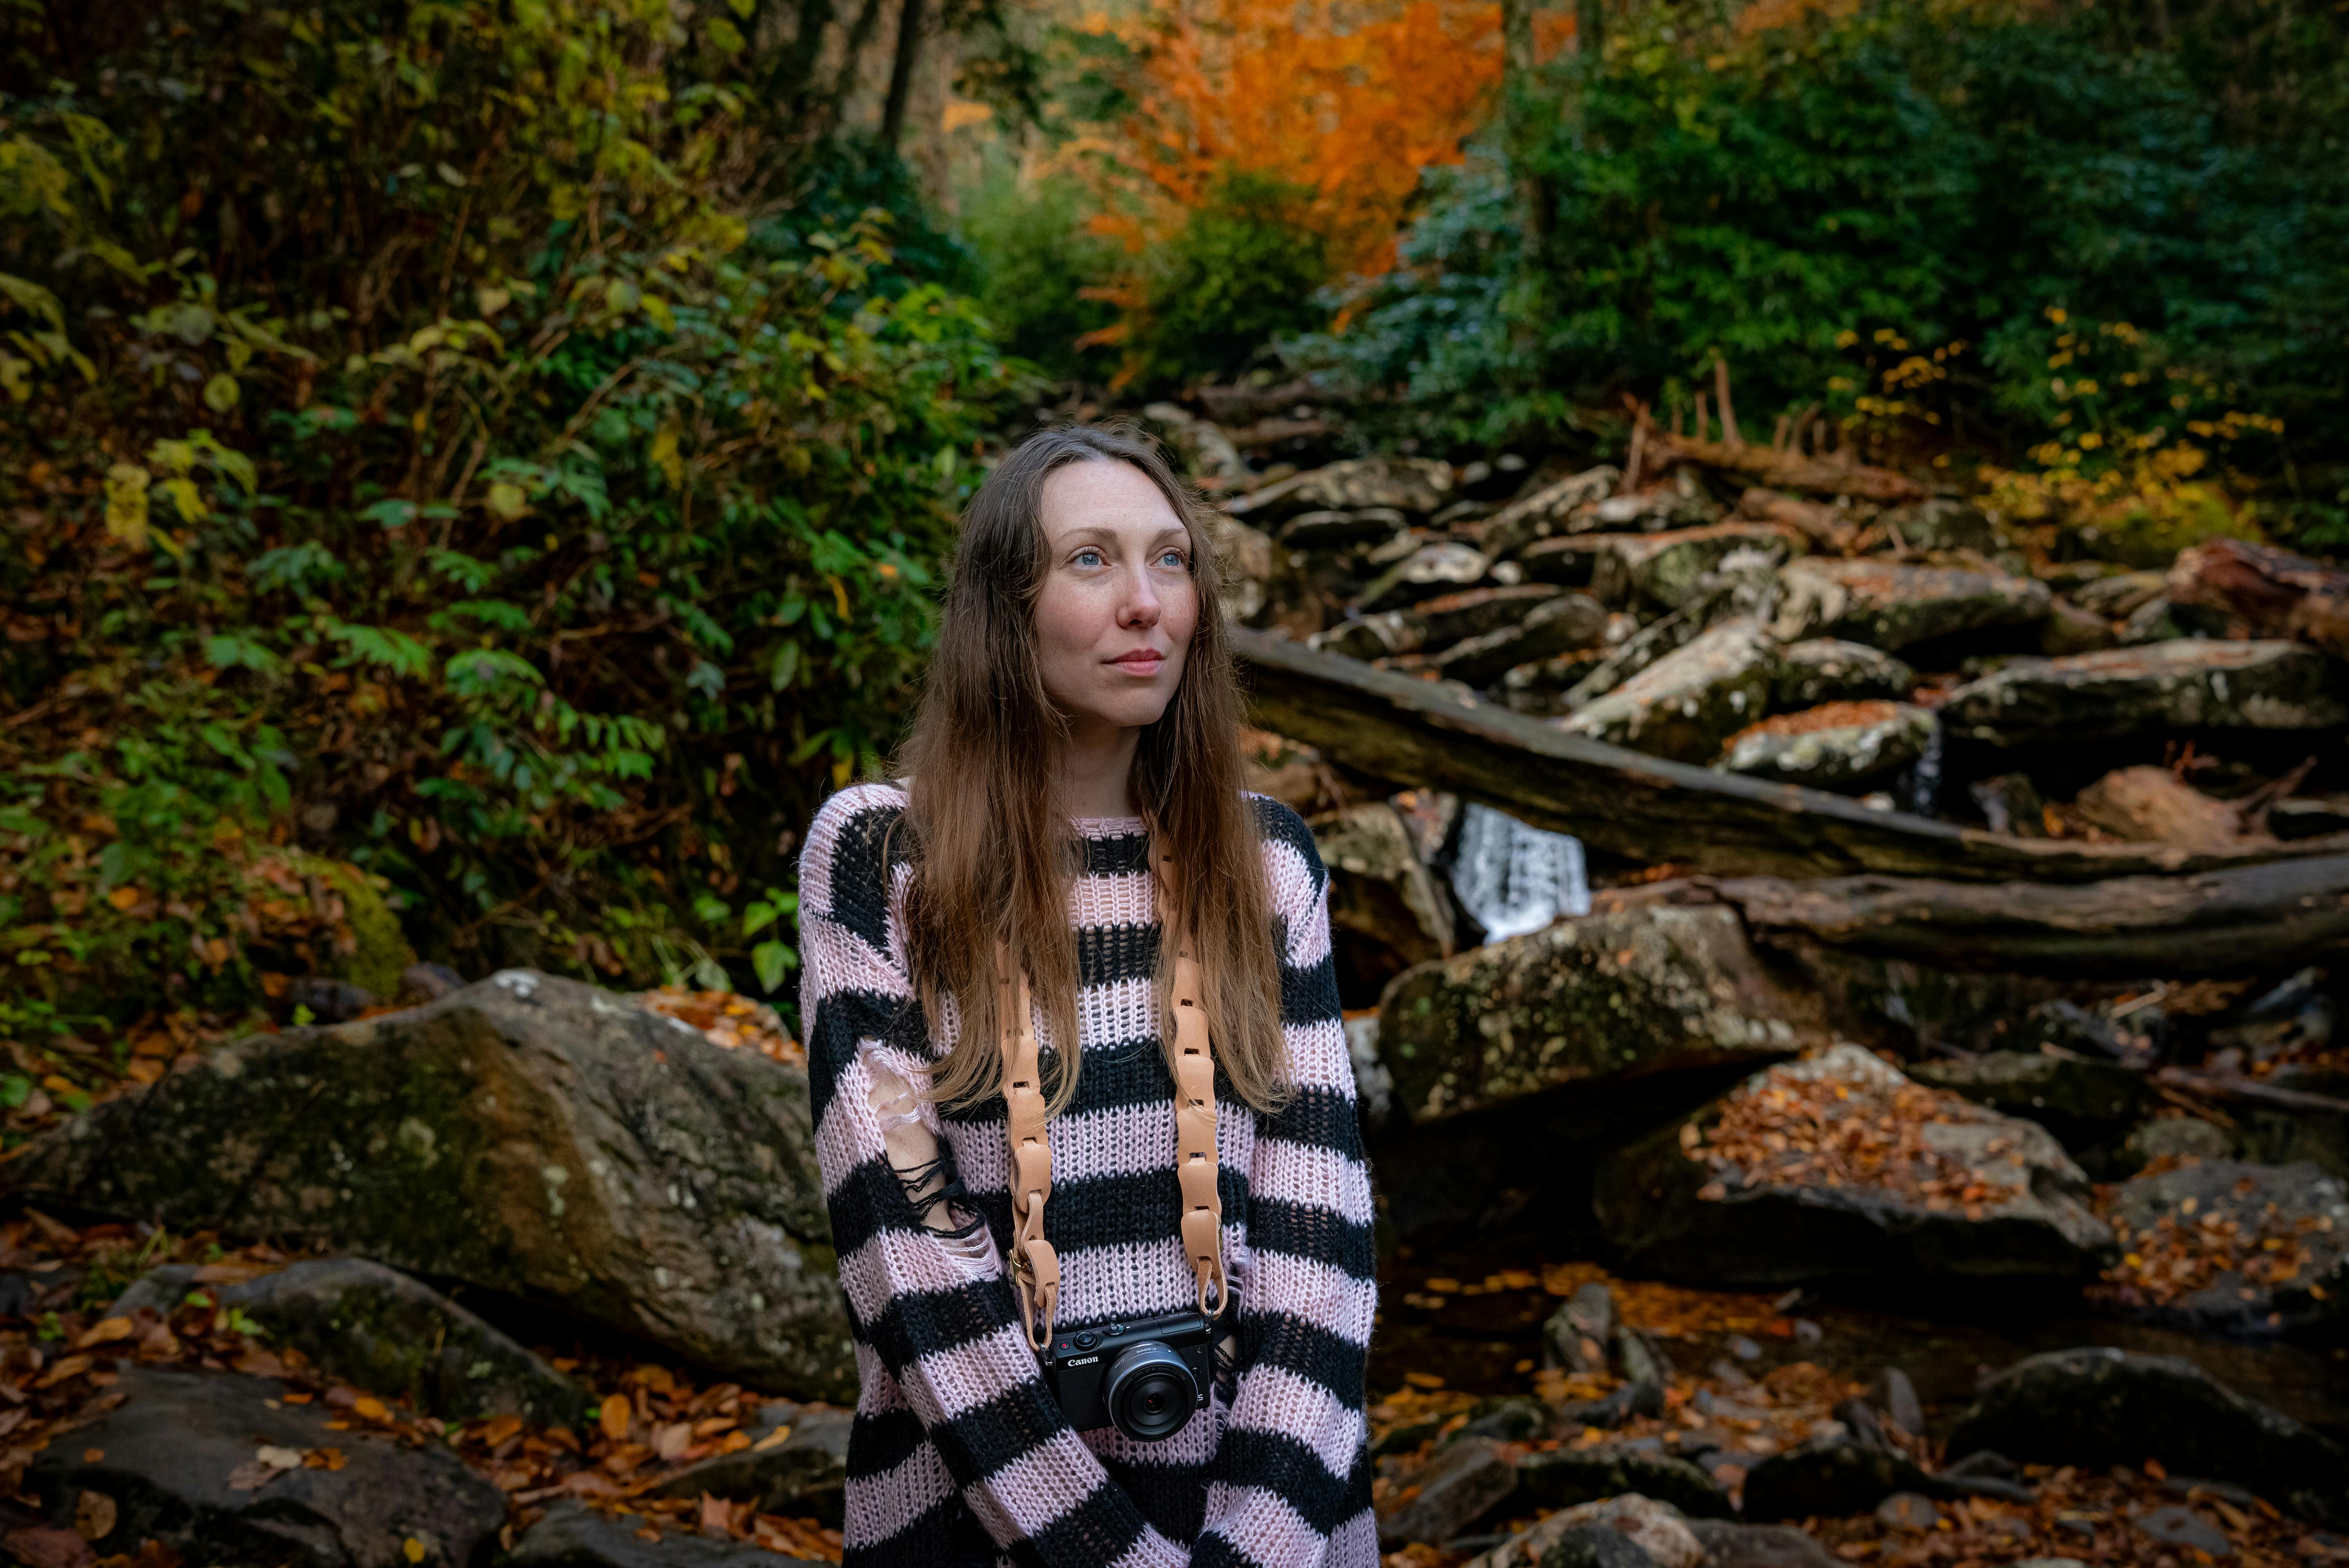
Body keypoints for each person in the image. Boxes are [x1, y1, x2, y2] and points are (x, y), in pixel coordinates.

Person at [796, 423, 1376, 1566]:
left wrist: (1254, 1544)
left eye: (1171, 561)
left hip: (1271, 1526)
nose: (1146, 603)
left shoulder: (1267, 865)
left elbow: (1324, 1242)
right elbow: (907, 1254)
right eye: (1093, 561)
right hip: (973, 1522)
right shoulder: (881, 860)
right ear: (1004, 609)